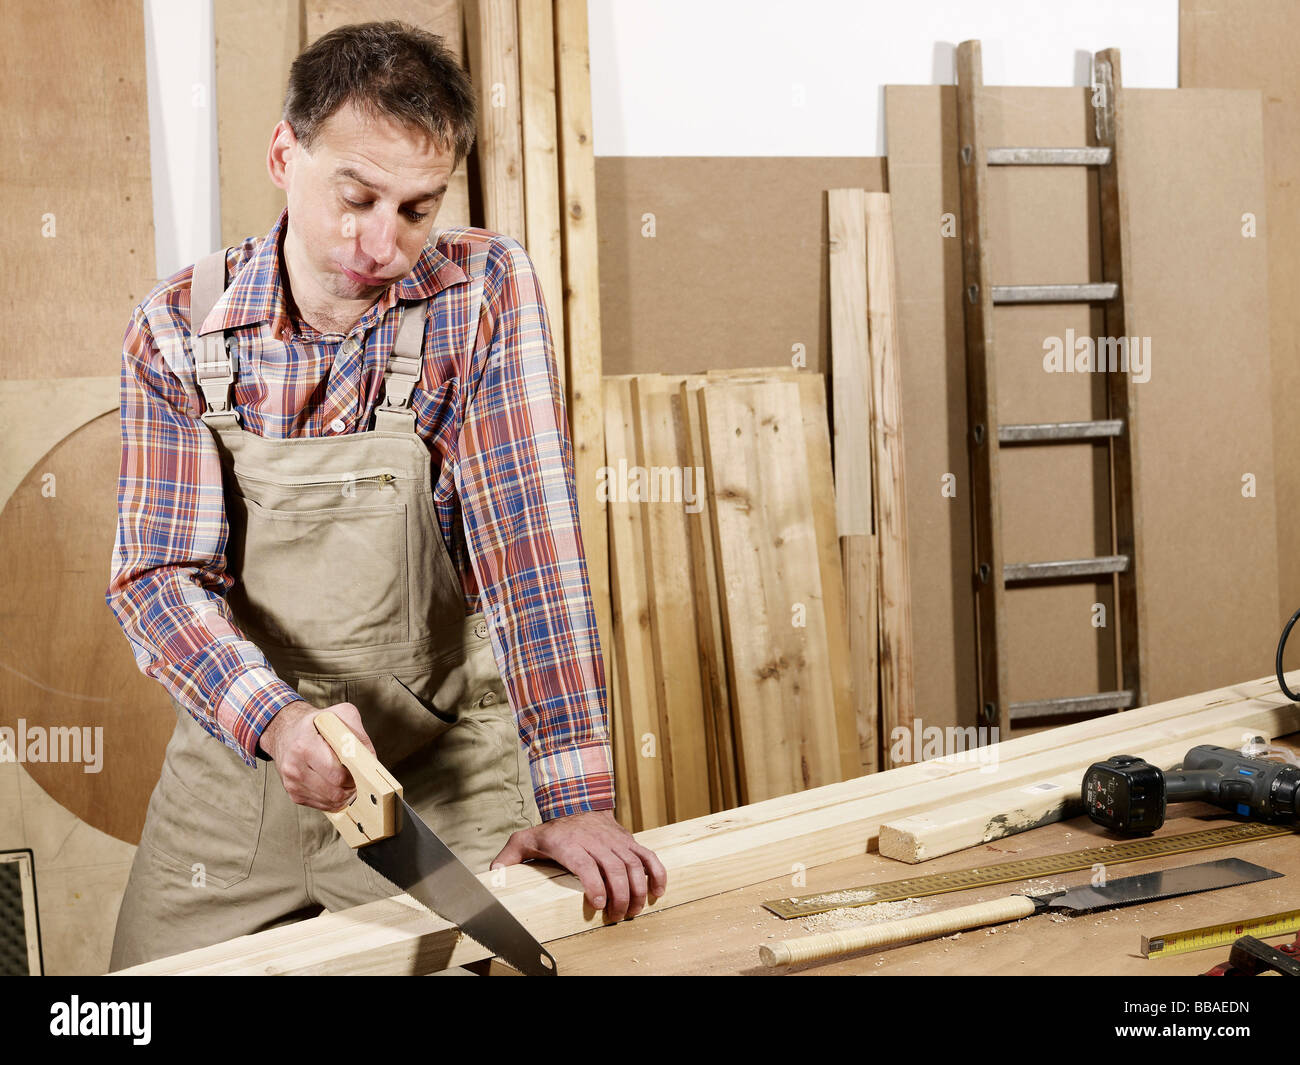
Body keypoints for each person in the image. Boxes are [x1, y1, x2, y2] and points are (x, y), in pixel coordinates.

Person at [106, 20, 664, 971]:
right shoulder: (176, 326)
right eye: (356, 198)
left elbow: (531, 549)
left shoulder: (480, 290)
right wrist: (277, 722)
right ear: (286, 154)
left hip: (436, 770)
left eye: (417, 208)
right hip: (242, 769)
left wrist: (574, 796)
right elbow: (158, 577)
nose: (383, 243)